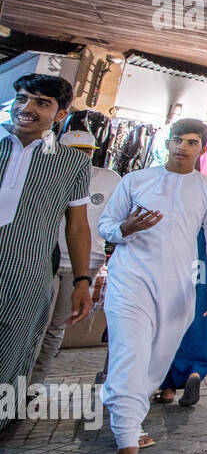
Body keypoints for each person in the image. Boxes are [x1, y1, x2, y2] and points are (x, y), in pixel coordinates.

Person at [98, 119, 207, 454]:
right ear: (167, 143)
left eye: (191, 142)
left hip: (177, 289)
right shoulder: (136, 180)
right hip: (130, 281)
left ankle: (130, 415)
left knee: (155, 364)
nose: (181, 148)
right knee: (129, 355)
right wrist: (124, 229)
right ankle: (126, 450)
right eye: (176, 140)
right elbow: (106, 224)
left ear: (202, 149)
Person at [0, 75, 93, 432]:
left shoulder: (72, 163)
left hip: (29, 273)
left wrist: (82, 281)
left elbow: (77, 226)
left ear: (60, 114)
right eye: (22, 98)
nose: (27, 108)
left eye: (41, 102)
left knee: (12, 352)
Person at [31, 128, 119, 382]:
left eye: (86, 153)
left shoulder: (110, 179)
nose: (80, 157)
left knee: (56, 328)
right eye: (73, 152)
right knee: (32, 327)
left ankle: (32, 386)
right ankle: (16, 381)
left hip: (84, 265)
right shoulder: (46, 176)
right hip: (44, 260)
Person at [153, 227, 207, 407]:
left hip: (175, 268)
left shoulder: (177, 217)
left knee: (167, 326)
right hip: (204, 275)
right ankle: (194, 372)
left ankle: (167, 389)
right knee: (198, 325)